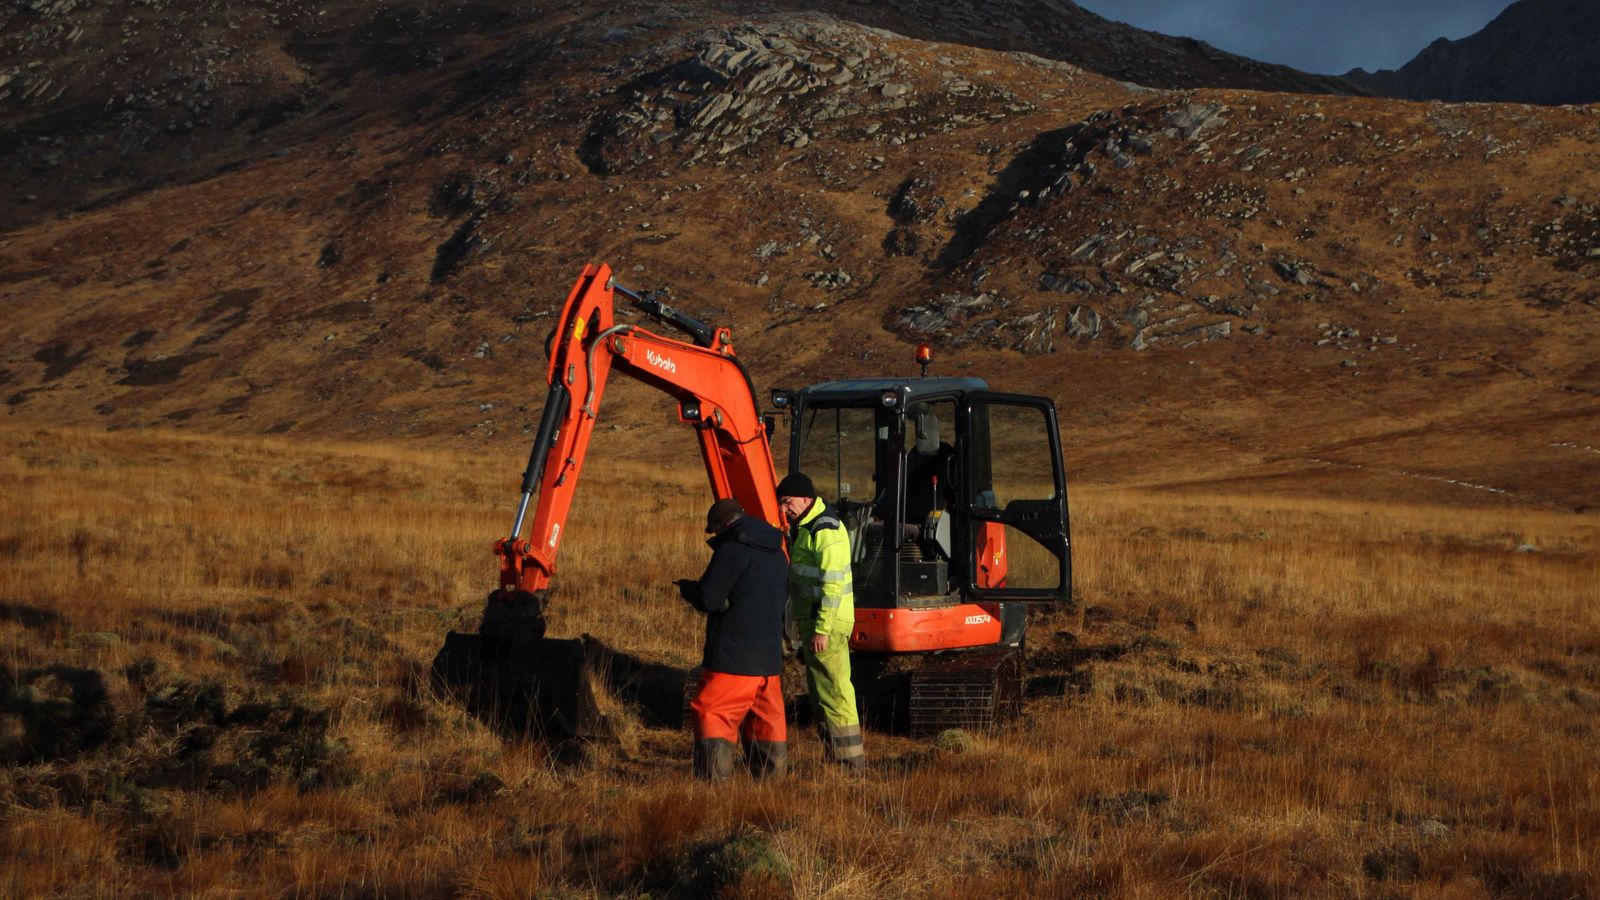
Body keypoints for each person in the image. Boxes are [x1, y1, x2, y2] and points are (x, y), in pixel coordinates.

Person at [677, 497, 789, 781]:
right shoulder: (777, 552)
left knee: (712, 714)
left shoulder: (732, 550)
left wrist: (689, 590)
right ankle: (771, 793)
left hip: (733, 659)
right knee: (766, 725)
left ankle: (713, 792)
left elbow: (710, 599)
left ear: (721, 526)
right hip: (769, 663)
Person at [776, 472, 865, 770]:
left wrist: (822, 629)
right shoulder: (808, 526)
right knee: (823, 693)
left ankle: (849, 764)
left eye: (787, 502)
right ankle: (839, 758)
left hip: (825, 624)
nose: (784, 508)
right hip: (815, 622)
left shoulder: (823, 529)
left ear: (805, 498)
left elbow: (832, 584)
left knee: (834, 693)